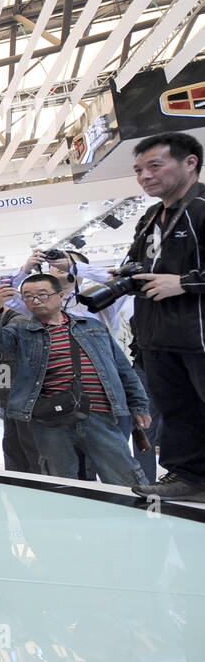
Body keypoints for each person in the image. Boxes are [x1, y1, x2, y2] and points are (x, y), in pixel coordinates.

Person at [0, 274, 150, 486]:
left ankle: (135, 516)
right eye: (28, 297)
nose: (35, 300)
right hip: (50, 418)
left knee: (125, 476)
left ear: (60, 295)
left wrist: (139, 405)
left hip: (100, 412)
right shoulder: (21, 331)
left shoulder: (91, 326)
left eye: (42, 294)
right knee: (61, 482)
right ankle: (71, 517)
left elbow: (123, 369)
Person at [124, 132, 205, 502]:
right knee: (176, 412)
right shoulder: (149, 218)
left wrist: (186, 283)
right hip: (158, 337)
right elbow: (137, 265)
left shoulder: (202, 206)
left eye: (155, 166)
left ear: (190, 162)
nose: (145, 176)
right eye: (139, 170)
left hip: (199, 334)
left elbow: (179, 279)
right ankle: (187, 477)